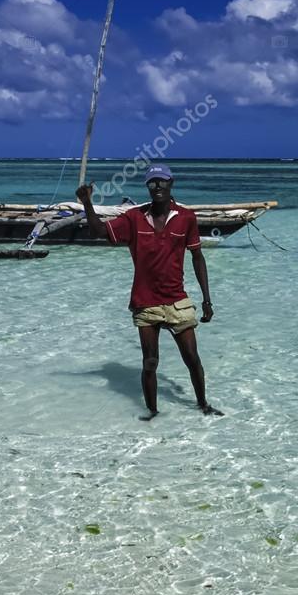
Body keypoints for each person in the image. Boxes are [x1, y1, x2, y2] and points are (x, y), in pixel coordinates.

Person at [76, 164, 224, 421]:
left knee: (192, 358)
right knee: (150, 362)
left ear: (171, 183)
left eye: (162, 182)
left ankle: (203, 405)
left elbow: (197, 258)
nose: (157, 187)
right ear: (147, 186)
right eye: (152, 183)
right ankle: (152, 413)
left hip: (177, 301)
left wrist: (207, 300)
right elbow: (98, 231)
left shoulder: (186, 217)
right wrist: (87, 203)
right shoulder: (133, 217)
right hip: (145, 303)